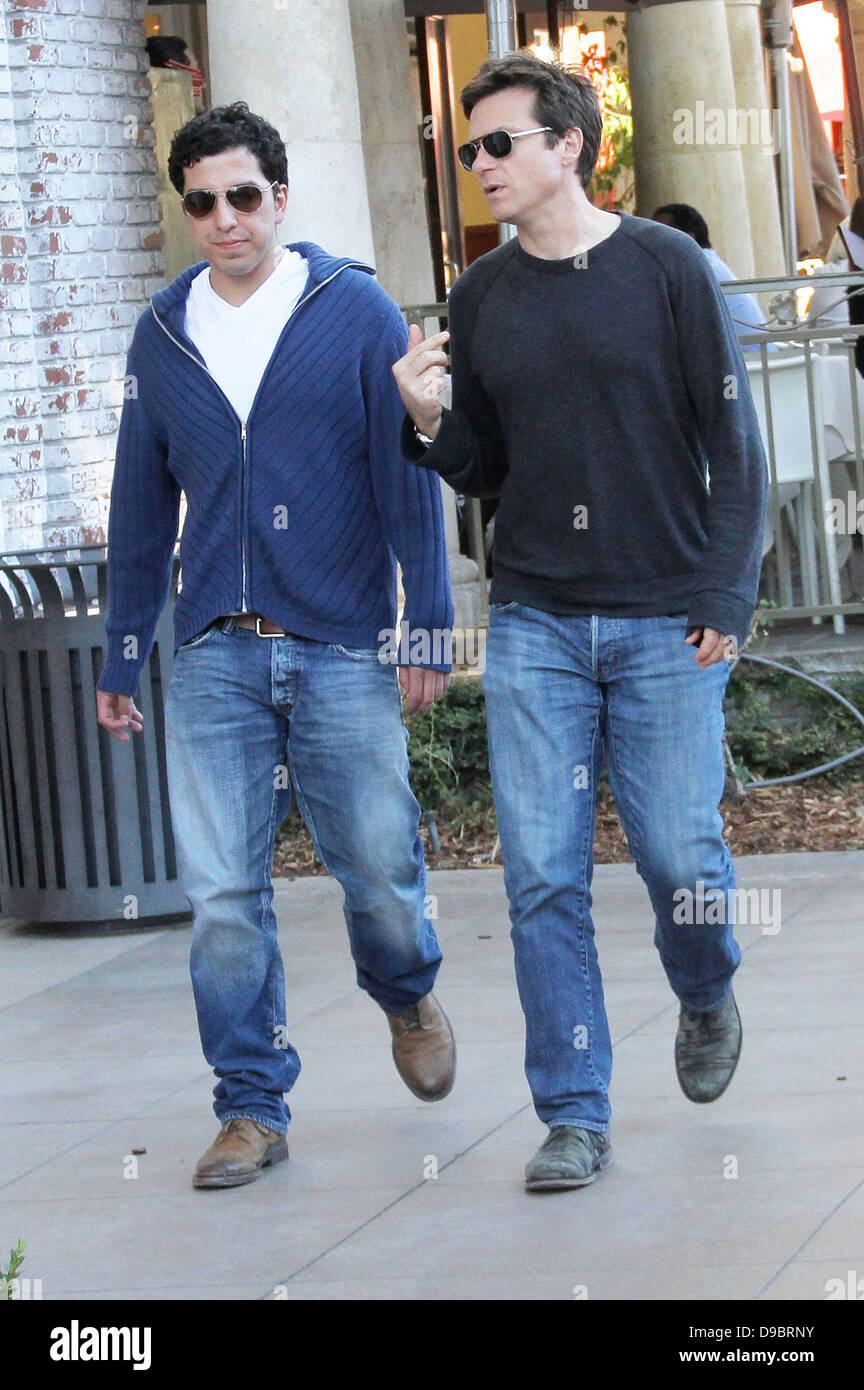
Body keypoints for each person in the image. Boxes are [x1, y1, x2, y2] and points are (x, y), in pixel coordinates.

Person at [393, 54, 768, 1192]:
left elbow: (734, 451)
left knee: (676, 851)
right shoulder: (483, 296)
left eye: (500, 144)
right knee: (542, 876)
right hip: (538, 623)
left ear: (569, 145)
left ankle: (704, 986)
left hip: (664, 617)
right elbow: (490, 469)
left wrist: (724, 593)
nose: (482, 167)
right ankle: (573, 1110)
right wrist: (428, 424)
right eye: (471, 151)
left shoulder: (667, 268)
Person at [96, 102, 456, 1189]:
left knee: (380, 875)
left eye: (242, 195)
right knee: (221, 896)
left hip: (342, 640)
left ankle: (405, 992)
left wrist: (425, 626)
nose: (223, 218)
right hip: (213, 649)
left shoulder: (351, 310)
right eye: (201, 201)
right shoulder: (162, 335)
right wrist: (120, 654)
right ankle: (250, 1105)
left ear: (280, 199)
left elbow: (409, 481)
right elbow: (137, 510)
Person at [652, 202, 779, 353]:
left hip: (747, 367)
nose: (651, 242)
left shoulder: (697, 269)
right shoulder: (707, 263)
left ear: (688, 238)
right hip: (759, 363)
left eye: (659, 235)